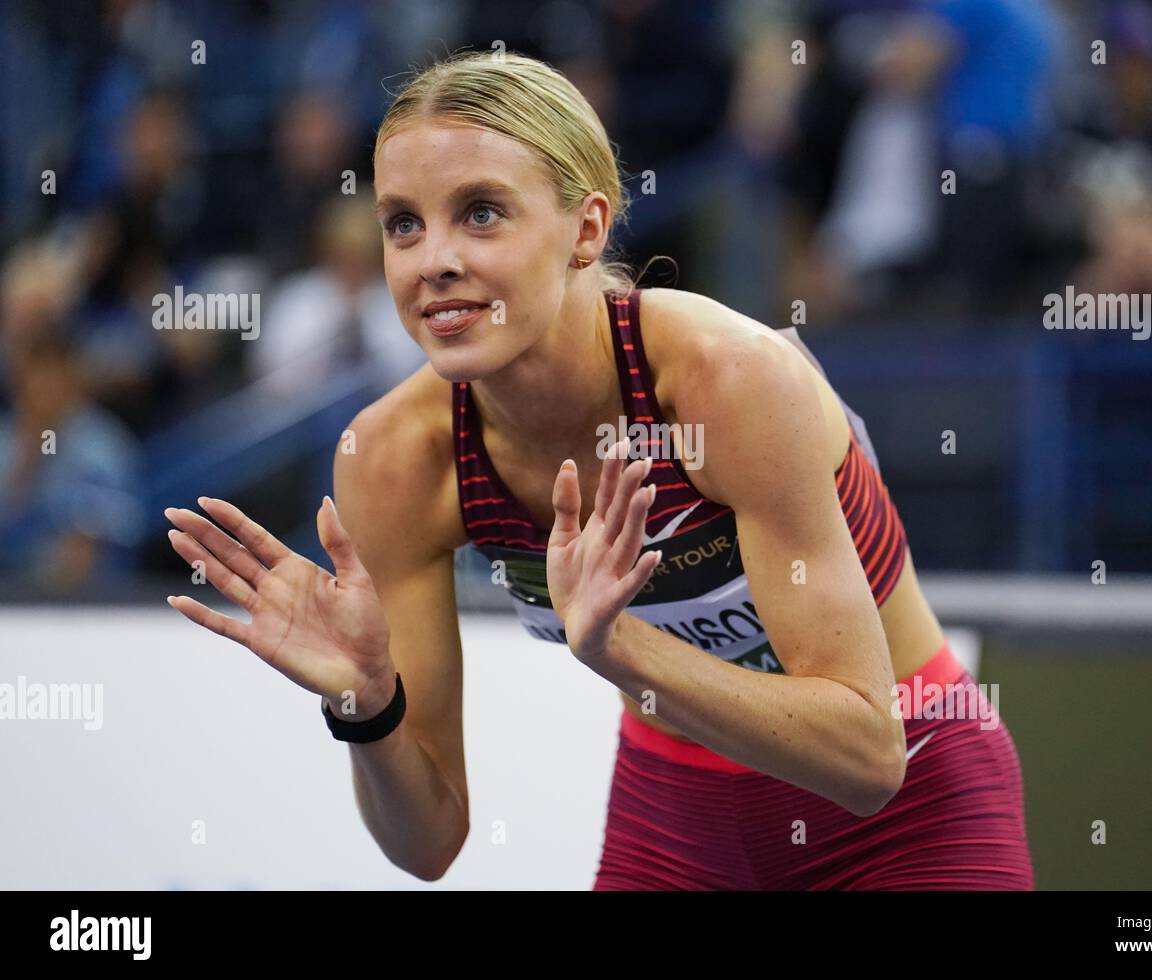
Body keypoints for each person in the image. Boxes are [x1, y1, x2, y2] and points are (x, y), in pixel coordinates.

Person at [163, 51, 1033, 890]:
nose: (434, 261)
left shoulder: (726, 380)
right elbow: (428, 847)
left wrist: (621, 647)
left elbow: (867, 760)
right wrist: (366, 703)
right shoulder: (395, 459)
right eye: (404, 223)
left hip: (914, 807)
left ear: (586, 228)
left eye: (481, 212)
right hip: (678, 824)